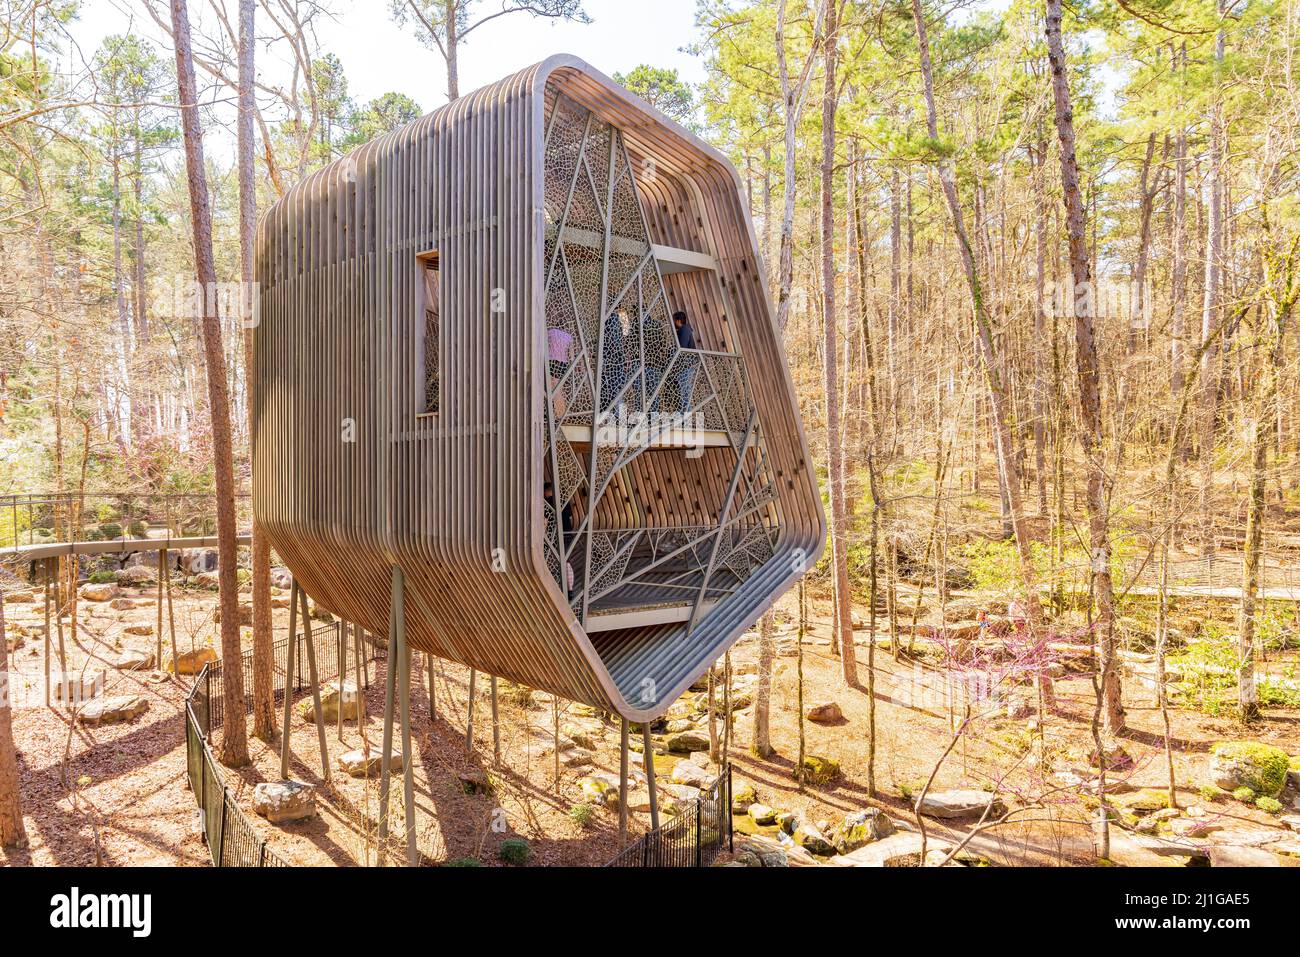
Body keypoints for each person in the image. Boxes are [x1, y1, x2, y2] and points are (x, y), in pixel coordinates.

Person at [673, 310, 697, 412]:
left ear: (678, 321)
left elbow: (681, 348)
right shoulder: (685, 330)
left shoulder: (684, 330)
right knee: (684, 391)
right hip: (686, 365)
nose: (673, 322)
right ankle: (685, 414)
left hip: (686, 365)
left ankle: (686, 415)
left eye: (674, 320)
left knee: (685, 392)